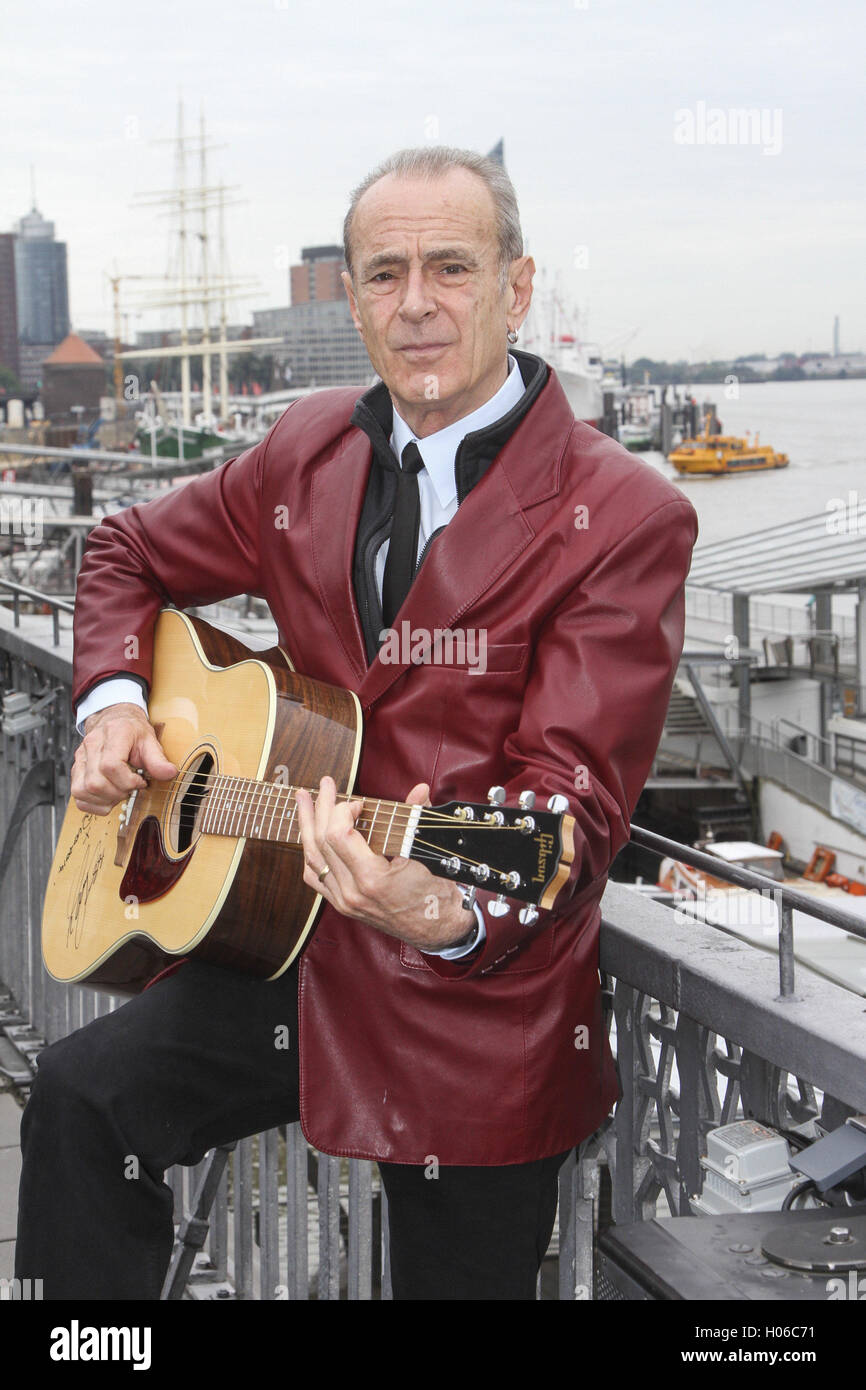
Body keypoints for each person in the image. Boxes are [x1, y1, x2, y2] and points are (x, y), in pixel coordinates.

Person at [15, 146, 698, 1300]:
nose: (416, 303)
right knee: (81, 1104)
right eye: (384, 274)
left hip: (472, 996)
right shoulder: (309, 448)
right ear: (352, 296)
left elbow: (566, 808)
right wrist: (115, 707)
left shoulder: (623, 516)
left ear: (515, 287)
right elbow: (125, 551)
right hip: (292, 947)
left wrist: (439, 906)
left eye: (450, 267)